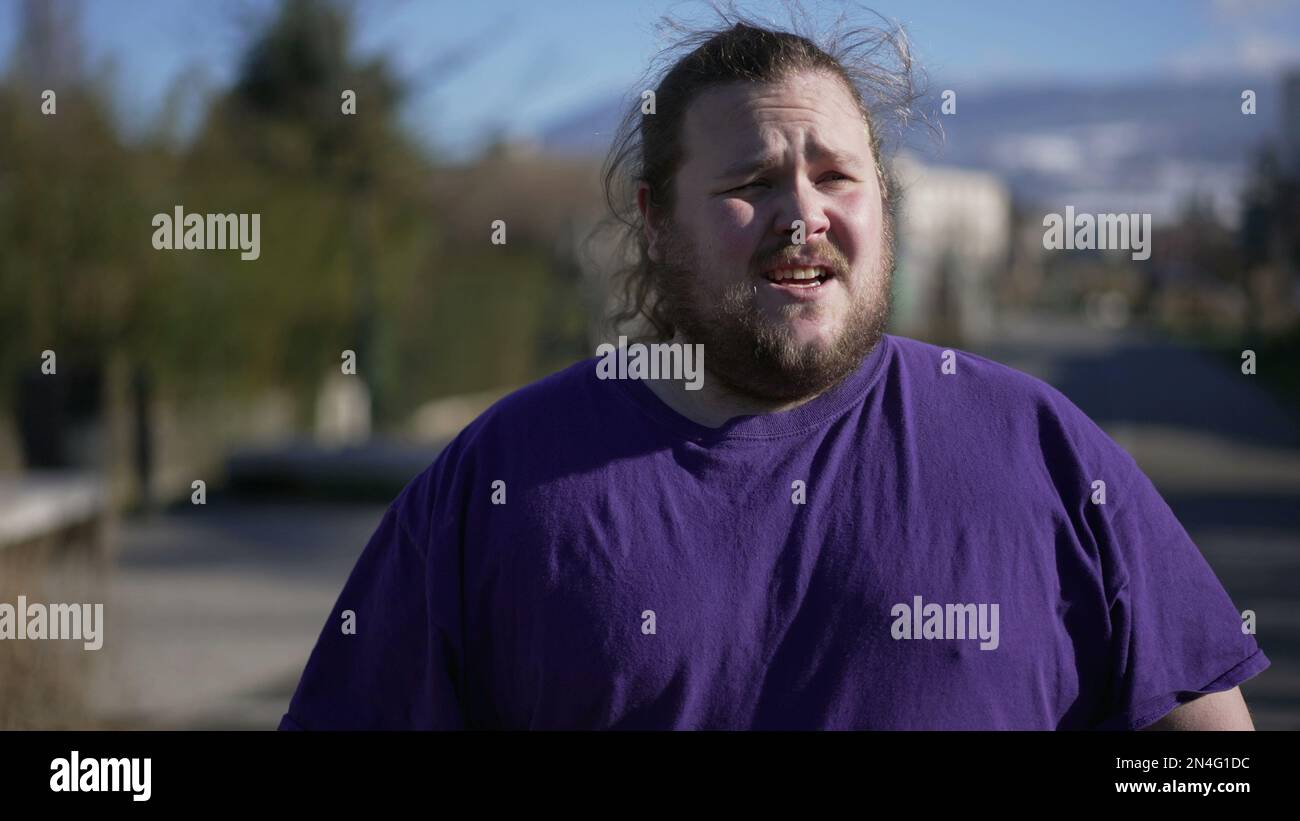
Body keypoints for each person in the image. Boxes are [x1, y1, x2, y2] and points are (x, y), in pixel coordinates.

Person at [278, 13, 1267, 731]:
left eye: (836, 175)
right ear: (656, 217)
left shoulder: (1044, 449)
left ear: (879, 202)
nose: (804, 213)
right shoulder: (499, 481)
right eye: (751, 184)